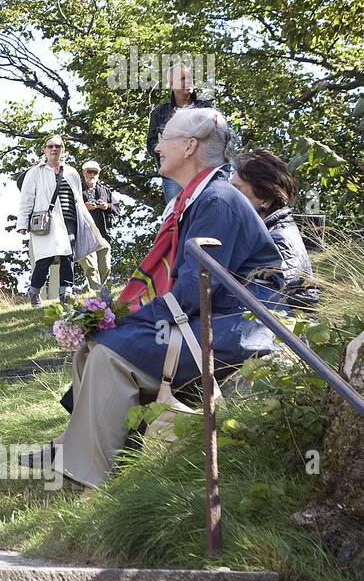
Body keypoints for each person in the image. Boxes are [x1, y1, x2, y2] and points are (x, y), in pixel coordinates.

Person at [24, 109, 285, 488]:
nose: (158, 146)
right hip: (207, 321)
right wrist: (111, 318)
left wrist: (122, 320)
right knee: (91, 349)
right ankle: (87, 458)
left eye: (165, 138)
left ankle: (89, 477)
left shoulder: (217, 201)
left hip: (235, 331)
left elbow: (194, 293)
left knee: (109, 353)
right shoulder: (200, 198)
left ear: (190, 146)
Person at [17, 135, 106, 305]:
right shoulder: (35, 172)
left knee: (68, 255)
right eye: (50, 146)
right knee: (45, 258)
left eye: (57, 146)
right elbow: (27, 198)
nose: (53, 149)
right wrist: (22, 223)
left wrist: (87, 222)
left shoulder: (71, 172)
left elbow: (78, 198)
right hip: (46, 220)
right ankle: (34, 291)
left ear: (62, 149)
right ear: (44, 150)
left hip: (70, 219)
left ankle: (66, 293)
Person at [231, 150, 320, 311]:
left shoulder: (278, 240)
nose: (229, 196)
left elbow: (278, 306)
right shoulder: (269, 230)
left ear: (266, 200)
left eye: (238, 190)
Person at [146, 62, 213, 204]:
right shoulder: (159, 113)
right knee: (177, 217)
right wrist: (167, 156)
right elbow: (151, 143)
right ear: (171, 84)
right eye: (182, 79)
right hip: (174, 174)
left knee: (209, 209)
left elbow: (216, 137)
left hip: (203, 170)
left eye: (189, 77)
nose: (187, 81)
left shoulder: (206, 108)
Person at [78, 160, 117, 290]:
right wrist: (84, 207)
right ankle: (96, 291)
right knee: (90, 266)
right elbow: (66, 207)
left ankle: (101, 289)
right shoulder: (76, 189)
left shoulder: (105, 190)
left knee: (105, 266)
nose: (92, 174)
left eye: (95, 172)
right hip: (83, 232)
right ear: (84, 173)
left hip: (102, 233)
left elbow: (117, 209)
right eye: (90, 171)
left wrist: (106, 206)